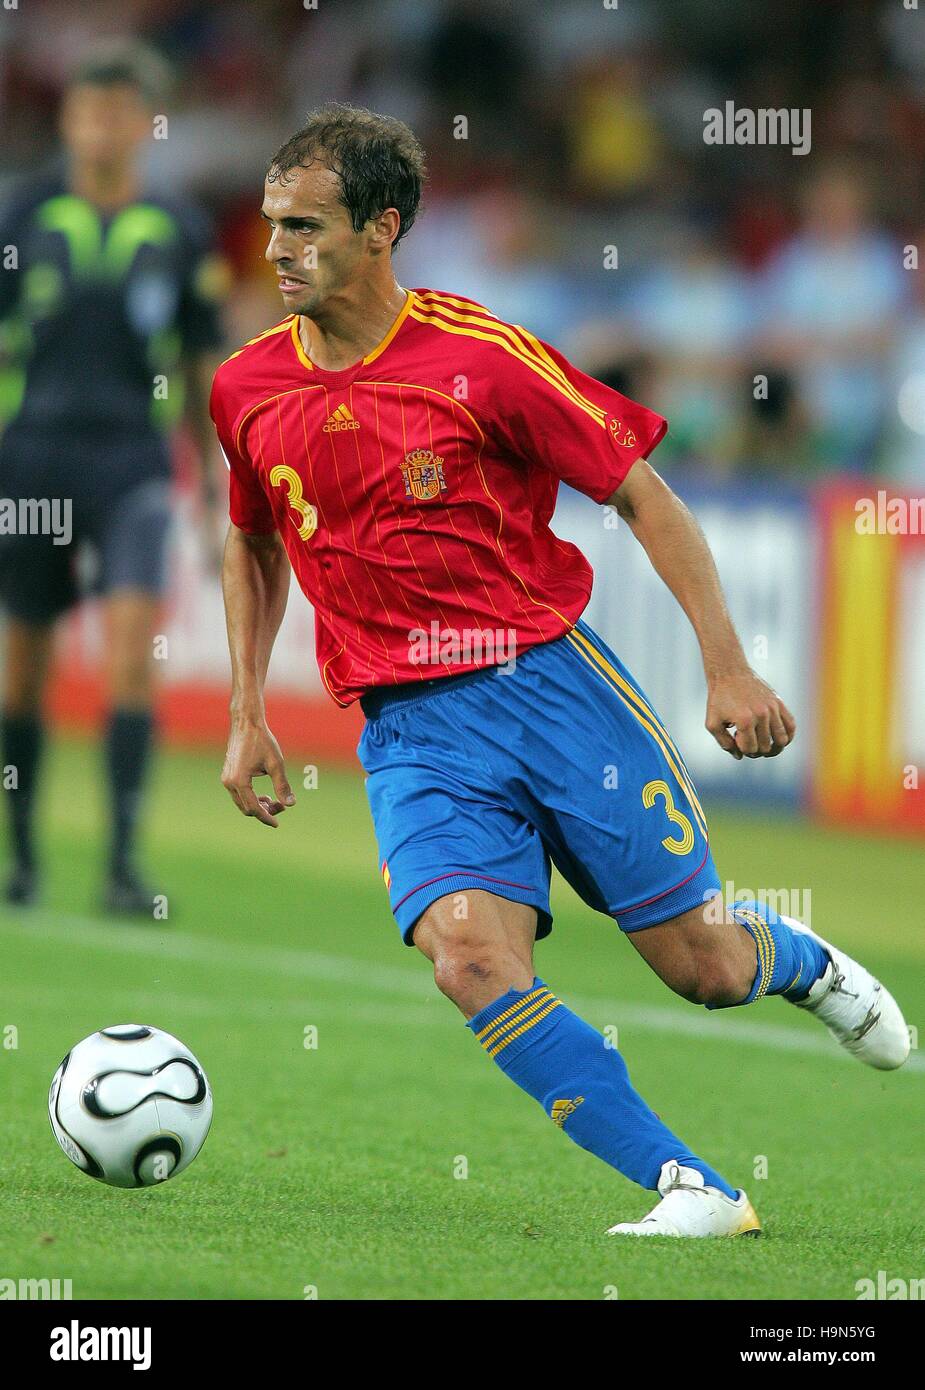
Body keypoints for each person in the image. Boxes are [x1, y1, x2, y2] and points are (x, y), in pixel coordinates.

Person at [213, 104, 909, 1237]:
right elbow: (247, 540)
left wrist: (725, 668)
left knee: (704, 967)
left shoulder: (481, 358)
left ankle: (800, 960)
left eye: (306, 227)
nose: (278, 250)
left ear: (382, 228)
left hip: (549, 688)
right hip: (408, 726)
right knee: (469, 958)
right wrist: (247, 708)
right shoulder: (246, 388)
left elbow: (638, 490)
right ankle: (691, 1188)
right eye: (271, 225)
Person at [0, 42, 227, 914]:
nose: (99, 127)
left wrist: (212, 492)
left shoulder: (178, 228)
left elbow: (201, 364)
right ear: (67, 120)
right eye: (85, 111)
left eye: (116, 112)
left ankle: (123, 863)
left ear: (143, 125)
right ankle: (21, 859)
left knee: (132, 655)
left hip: (131, 464)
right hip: (31, 461)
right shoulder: (23, 214)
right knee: (23, 665)